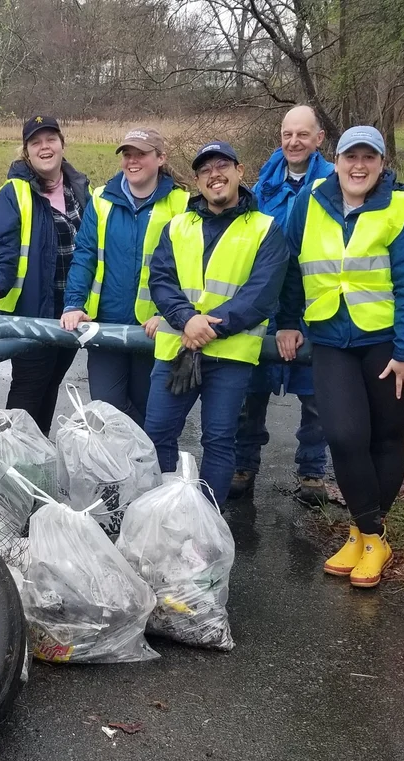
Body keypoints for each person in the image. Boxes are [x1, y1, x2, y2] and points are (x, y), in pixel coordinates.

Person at [277, 125, 404, 589]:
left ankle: (363, 538)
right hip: (330, 337)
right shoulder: (309, 203)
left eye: (369, 158)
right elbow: (290, 266)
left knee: (384, 440)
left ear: (382, 164)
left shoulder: (400, 207)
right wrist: (288, 320)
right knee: (344, 437)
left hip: (388, 344)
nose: (358, 166)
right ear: (337, 159)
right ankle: (372, 534)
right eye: (351, 157)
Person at [142, 141, 287, 509]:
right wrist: (186, 320)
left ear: (240, 171)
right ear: (196, 180)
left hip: (230, 355)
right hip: (178, 347)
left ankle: (207, 522)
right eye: (205, 170)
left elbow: (261, 293)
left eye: (222, 165)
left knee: (219, 439)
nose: (214, 174)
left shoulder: (264, 228)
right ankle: (164, 514)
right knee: (157, 432)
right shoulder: (177, 226)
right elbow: (161, 279)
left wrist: (208, 328)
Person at [231, 105, 336, 502]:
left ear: (319, 139)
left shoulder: (332, 184)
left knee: (316, 397)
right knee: (249, 391)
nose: (294, 142)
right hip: (264, 306)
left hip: (314, 307)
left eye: (302, 135)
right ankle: (244, 465)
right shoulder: (262, 188)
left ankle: (312, 472)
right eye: (287, 134)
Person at [0, 115, 90, 434]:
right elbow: (4, 249)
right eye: (36, 142)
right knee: (27, 393)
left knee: (50, 387)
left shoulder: (81, 189)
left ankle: (35, 456)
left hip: (73, 312)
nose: (44, 147)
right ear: (26, 151)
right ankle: (11, 464)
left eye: (50, 139)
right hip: (33, 313)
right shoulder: (14, 193)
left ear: (62, 144)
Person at [60, 128, 190, 426]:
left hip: (154, 329)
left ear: (161, 158)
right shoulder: (102, 200)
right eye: (127, 155)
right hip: (106, 324)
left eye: (141, 154)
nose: (132, 161)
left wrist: (170, 315)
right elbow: (85, 256)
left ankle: (146, 469)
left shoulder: (181, 205)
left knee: (151, 411)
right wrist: (73, 304)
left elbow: (187, 270)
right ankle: (121, 468)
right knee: (108, 410)